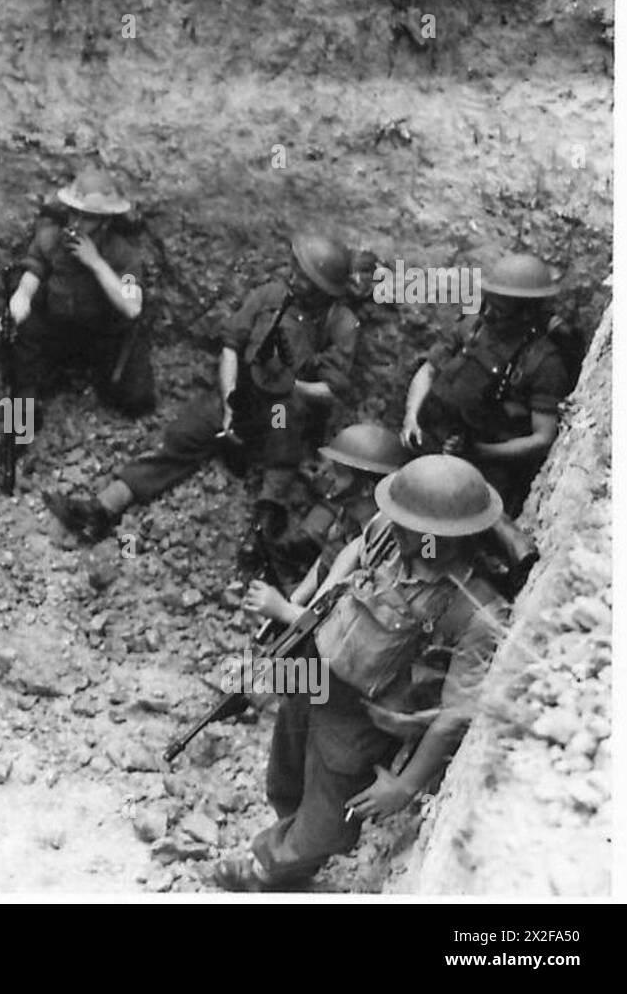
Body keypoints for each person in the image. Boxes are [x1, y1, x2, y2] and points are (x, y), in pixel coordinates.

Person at [214, 455, 508, 891]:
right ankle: (290, 831)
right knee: (286, 773)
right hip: (314, 674)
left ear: (436, 537)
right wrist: (330, 586)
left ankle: (269, 868)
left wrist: (406, 786)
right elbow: (360, 545)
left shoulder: (474, 611)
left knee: (328, 820)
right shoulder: (395, 538)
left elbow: (455, 713)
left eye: (407, 523)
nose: (392, 525)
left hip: (361, 716)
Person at [45, 233, 359, 544]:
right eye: (295, 270)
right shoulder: (270, 295)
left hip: (282, 408)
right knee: (183, 435)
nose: (294, 278)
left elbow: (333, 391)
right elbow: (231, 347)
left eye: (304, 277)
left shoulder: (339, 323)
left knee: (282, 443)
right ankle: (103, 507)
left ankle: (264, 529)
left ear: (323, 289)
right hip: (242, 393)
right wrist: (229, 399)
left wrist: (292, 387)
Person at [401, 253, 571, 516]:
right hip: (431, 440)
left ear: (526, 313)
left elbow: (543, 437)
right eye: (487, 304)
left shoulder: (543, 362)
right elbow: (429, 370)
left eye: (500, 311)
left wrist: (482, 452)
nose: (488, 314)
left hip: (483, 472)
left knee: (441, 529)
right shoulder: (473, 324)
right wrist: (411, 417)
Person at [5, 168, 155, 445]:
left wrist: (95, 262)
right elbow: (32, 274)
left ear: (105, 222)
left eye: (86, 218)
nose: (76, 222)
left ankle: (95, 377)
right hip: (58, 329)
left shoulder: (124, 255)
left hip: (102, 334)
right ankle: (24, 411)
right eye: (73, 213)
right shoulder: (50, 239)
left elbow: (132, 307)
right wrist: (21, 298)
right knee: (22, 339)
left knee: (137, 399)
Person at [245, 422, 409, 608]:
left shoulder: (385, 549)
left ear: (366, 488)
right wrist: (292, 602)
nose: (328, 475)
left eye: (339, 473)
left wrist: (284, 611)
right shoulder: (350, 517)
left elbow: (342, 621)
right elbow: (325, 562)